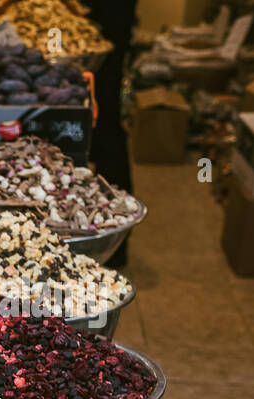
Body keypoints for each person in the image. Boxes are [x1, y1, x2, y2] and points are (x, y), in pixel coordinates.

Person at [83, 0, 138, 268]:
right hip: (105, 24)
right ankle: (112, 239)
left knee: (106, 129)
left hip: (105, 25)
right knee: (105, 129)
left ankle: (114, 240)